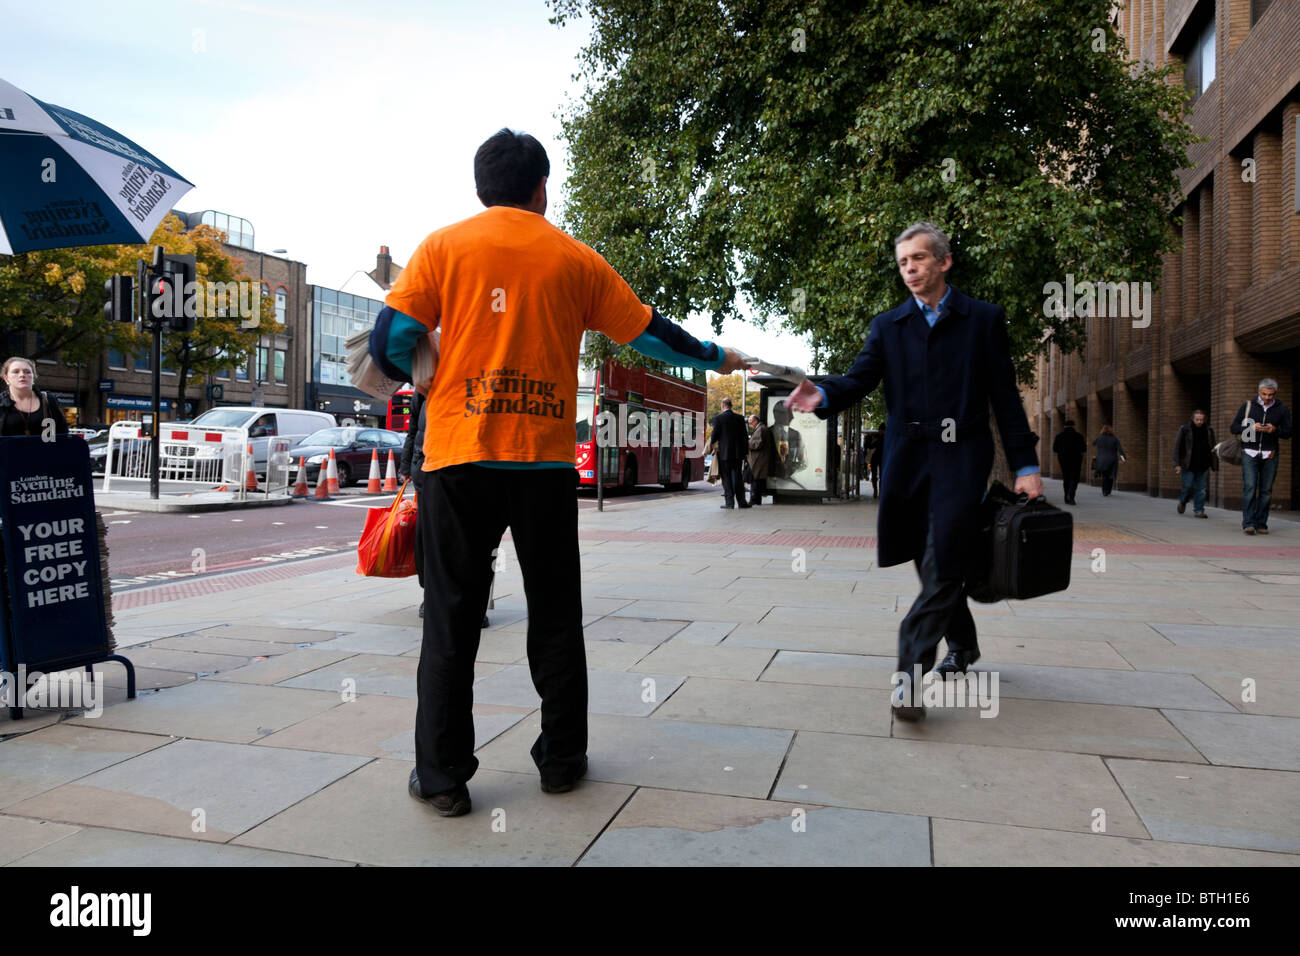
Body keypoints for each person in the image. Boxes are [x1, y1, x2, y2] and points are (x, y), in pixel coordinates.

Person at [369, 128, 743, 816]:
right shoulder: (574, 258)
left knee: (450, 619)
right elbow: (650, 332)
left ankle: (444, 776)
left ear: (482, 187)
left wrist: (418, 372)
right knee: (556, 614)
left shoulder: (442, 248)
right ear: (542, 188)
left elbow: (387, 341)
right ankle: (562, 759)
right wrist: (718, 357)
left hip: (457, 457)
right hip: (542, 461)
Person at [786, 221, 1041, 721]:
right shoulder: (889, 326)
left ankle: (908, 673)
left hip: (962, 455)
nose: (910, 270)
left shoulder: (983, 320)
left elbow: (1006, 399)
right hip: (907, 457)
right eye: (903, 262)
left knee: (944, 557)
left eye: (919, 259)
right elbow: (860, 378)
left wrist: (1026, 464)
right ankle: (963, 644)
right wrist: (825, 394)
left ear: (943, 262)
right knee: (930, 563)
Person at [1230, 378, 1293, 535]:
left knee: (1266, 491)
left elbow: (1288, 432)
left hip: (1270, 454)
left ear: (1275, 394)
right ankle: (1249, 523)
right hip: (1249, 452)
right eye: (1264, 394)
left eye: (1270, 395)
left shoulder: (1282, 409)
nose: (1266, 398)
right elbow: (1234, 427)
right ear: (1259, 392)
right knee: (1250, 487)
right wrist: (1250, 427)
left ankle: (1261, 523)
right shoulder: (1248, 406)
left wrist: (1274, 430)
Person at [1, 357, 69, 437]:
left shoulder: (48, 400)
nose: (22, 375)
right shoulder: (1, 403)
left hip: (45, 449)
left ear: (34, 377)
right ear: (6, 378)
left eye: (27, 372)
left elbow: (63, 433)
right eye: (16, 372)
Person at [1172, 409, 1216, 519]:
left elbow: (1213, 447)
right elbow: (1177, 447)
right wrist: (1176, 463)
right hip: (1188, 464)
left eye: (1201, 420)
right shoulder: (1185, 429)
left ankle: (1199, 510)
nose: (1199, 422)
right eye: (1197, 420)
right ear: (1192, 419)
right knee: (1188, 486)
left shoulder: (1209, 430)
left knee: (1201, 489)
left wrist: (1214, 463)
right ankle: (1183, 501)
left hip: (1203, 464)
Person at [710, 397, 750, 509]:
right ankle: (742, 502)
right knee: (738, 477)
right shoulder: (740, 418)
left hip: (724, 454)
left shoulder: (718, 418)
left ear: (723, 406)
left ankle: (729, 503)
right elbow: (745, 437)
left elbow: (713, 437)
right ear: (731, 406)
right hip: (738, 454)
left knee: (726, 479)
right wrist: (745, 452)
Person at [768, 399, 805, 482]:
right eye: (789, 413)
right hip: (771, 479)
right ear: (778, 414)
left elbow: (803, 462)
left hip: (788, 480)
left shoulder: (796, 435)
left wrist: (791, 468)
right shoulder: (767, 433)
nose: (792, 416)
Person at [1052, 419, 1086, 505]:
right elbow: (1084, 449)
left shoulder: (1059, 436)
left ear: (1064, 426)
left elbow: (1055, 449)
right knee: (1074, 478)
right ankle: (1071, 496)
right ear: (1074, 426)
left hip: (1063, 460)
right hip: (1076, 460)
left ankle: (1066, 496)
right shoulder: (1079, 436)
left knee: (1066, 478)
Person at [746, 412, 775, 505]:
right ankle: (756, 500)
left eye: (750, 423)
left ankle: (754, 500)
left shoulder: (761, 429)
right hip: (759, 460)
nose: (750, 425)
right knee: (756, 481)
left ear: (755, 421)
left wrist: (747, 443)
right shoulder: (761, 428)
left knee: (755, 481)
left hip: (759, 460)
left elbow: (758, 444)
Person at [1092, 425, 1125, 496]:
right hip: (1112, 460)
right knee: (1111, 476)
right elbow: (1120, 450)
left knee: (1104, 476)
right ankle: (1108, 491)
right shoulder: (1115, 438)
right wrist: (1123, 458)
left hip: (1102, 459)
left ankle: (1104, 491)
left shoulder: (1099, 438)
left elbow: (1093, 444)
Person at [869, 422, 885, 498]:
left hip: (882, 458)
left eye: (882, 430)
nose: (880, 431)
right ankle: (875, 490)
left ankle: (881, 491)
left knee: (882, 475)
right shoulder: (876, 436)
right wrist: (873, 441)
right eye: (880, 430)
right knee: (874, 475)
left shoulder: (886, 437)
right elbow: (870, 446)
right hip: (875, 458)